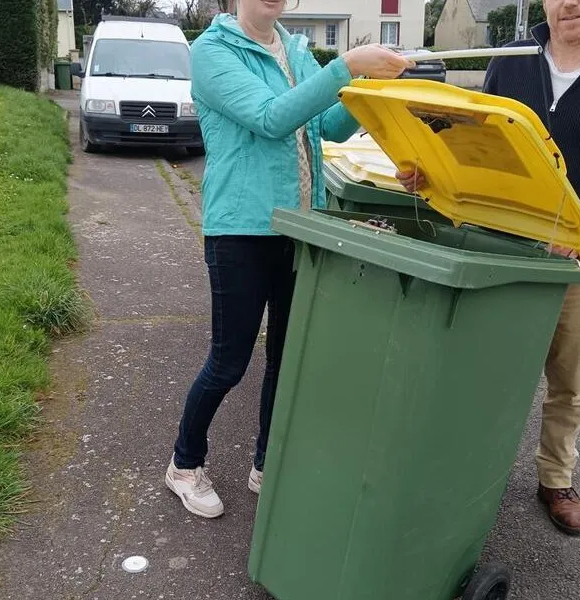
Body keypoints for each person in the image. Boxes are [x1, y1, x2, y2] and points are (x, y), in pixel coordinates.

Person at [397, 0, 580, 535]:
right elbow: (472, 145)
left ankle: (556, 478)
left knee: (567, 379)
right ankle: (465, 471)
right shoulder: (512, 61)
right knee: (481, 370)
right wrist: (429, 173)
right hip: (499, 249)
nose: (568, 4)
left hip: (573, 259)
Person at [165, 0, 414, 519]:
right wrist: (346, 67)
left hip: (301, 229)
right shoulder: (212, 52)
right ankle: (184, 465)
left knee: (286, 356)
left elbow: (330, 127)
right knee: (229, 361)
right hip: (241, 230)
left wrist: (368, 83)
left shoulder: (296, 50)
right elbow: (270, 119)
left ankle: (267, 462)